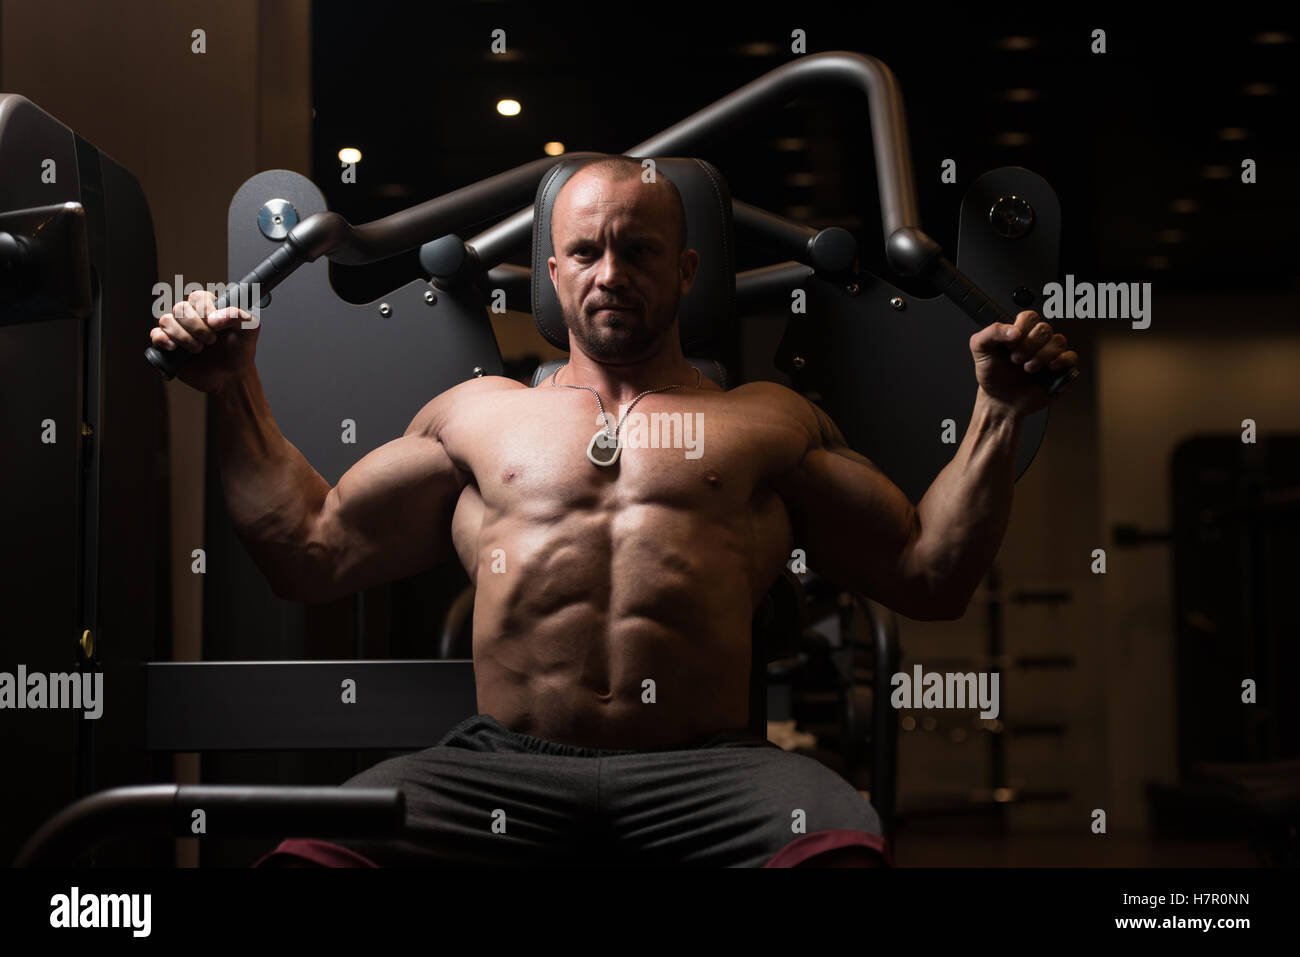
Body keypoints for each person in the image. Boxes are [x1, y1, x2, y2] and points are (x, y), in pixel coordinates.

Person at [149, 156, 1077, 867]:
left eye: (637, 251)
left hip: (709, 770)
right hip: (499, 768)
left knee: (838, 847)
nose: (609, 273)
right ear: (552, 272)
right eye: (586, 252)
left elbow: (927, 573)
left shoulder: (769, 422)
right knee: (313, 858)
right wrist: (232, 391)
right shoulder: (479, 416)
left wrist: (999, 410)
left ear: (685, 271)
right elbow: (309, 552)